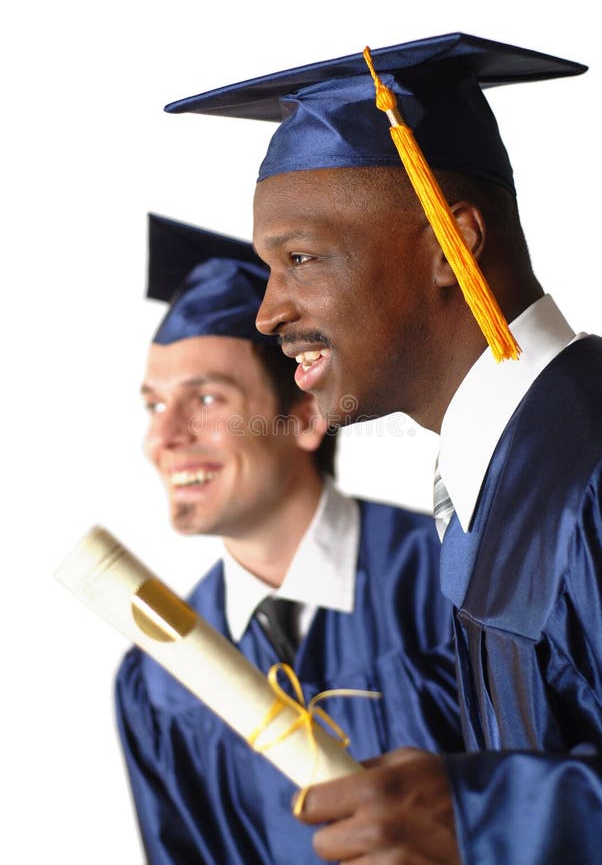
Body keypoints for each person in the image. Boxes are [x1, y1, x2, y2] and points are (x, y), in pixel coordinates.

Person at [165, 33, 602, 861]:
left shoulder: (588, 466)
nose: (267, 314)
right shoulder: (502, 471)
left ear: (451, 245)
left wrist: (482, 817)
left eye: (299, 259)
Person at [115, 213, 461, 865]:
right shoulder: (162, 680)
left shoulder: (458, 583)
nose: (162, 440)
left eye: (208, 400)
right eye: (155, 406)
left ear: (305, 416)